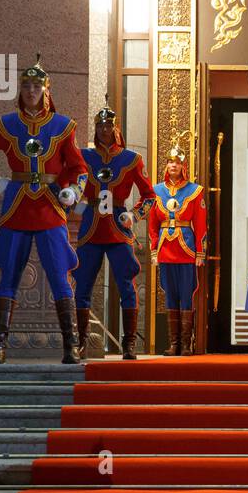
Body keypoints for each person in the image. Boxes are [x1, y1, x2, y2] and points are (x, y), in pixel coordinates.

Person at [0, 55, 88, 363]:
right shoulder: (7, 124)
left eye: (37, 85)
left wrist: (73, 191)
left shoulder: (63, 126)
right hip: (17, 206)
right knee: (9, 274)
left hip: (50, 207)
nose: (31, 91)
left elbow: (78, 167)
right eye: (26, 85)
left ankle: (70, 346)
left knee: (60, 275)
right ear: (20, 90)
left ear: (47, 91)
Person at [73, 107, 155, 360]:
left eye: (109, 126)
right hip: (91, 227)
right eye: (100, 126)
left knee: (127, 286)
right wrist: (77, 203)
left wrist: (135, 215)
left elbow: (150, 195)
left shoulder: (131, 159)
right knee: (82, 286)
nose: (105, 131)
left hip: (119, 228)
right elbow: (68, 184)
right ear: (96, 129)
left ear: (116, 128)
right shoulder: (83, 156)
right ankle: (82, 342)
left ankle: (129, 344)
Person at [147, 139, 207, 355]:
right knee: (170, 294)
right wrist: (154, 250)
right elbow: (153, 224)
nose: (173, 165)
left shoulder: (195, 191)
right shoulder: (155, 190)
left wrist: (200, 252)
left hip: (187, 249)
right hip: (165, 249)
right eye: (170, 162)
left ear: (184, 166)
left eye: (177, 162)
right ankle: (174, 344)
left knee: (186, 293)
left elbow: (200, 224)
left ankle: (186, 344)